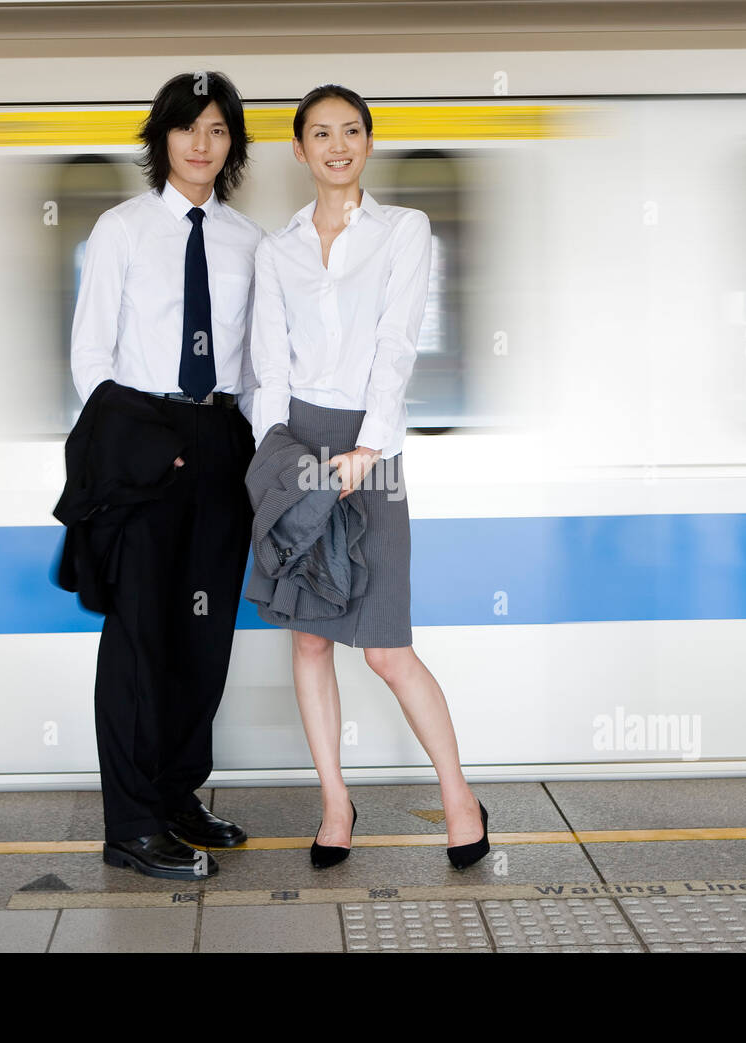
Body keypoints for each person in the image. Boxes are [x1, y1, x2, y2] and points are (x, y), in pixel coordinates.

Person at [248, 84, 491, 870]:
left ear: (369, 141)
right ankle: (335, 803)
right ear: (299, 150)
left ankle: (458, 796)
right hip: (297, 443)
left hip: (369, 445)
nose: (337, 145)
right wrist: (279, 468)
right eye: (320, 133)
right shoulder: (275, 248)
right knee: (312, 639)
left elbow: (397, 344)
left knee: (386, 646)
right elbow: (266, 367)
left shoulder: (403, 230)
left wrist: (370, 448)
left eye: (350, 130)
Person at [69, 71, 264, 880]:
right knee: (139, 642)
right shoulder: (120, 230)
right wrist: (149, 447)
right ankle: (131, 822)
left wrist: (252, 448)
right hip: (143, 438)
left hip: (223, 438)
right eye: (188, 128)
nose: (201, 143)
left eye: (218, 131)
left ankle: (179, 795)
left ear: (231, 145)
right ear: (163, 138)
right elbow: (89, 358)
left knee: (203, 639)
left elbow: (255, 362)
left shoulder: (248, 241)